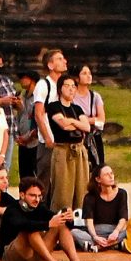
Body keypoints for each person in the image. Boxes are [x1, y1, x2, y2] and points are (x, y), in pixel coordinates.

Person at [1, 177, 84, 261]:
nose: (36, 199)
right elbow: (22, 224)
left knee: (60, 223)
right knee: (31, 231)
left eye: (39, 196)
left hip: (34, 260)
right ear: (22, 195)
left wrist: (68, 219)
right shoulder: (12, 209)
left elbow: (56, 219)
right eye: (32, 195)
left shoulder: (39, 207)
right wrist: (48, 224)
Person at [45, 73, 92, 213]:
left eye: (73, 87)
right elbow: (63, 125)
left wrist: (72, 121)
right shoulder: (53, 106)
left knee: (81, 188)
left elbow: (87, 127)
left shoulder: (77, 108)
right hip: (63, 150)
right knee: (62, 189)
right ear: (60, 89)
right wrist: (74, 123)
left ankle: (79, 220)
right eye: (67, 86)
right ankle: (60, 220)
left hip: (79, 149)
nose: (71, 89)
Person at [29, 48, 67, 182]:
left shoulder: (65, 85)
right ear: (50, 65)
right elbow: (38, 114)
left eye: (63, 59)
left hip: (63, 140)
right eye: (59, 59)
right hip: (48, 141)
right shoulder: (43, 85)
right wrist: (47, 138)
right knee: (44, 180)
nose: (64, 61)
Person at [78, 165, 130, 252]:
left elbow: (123, 218)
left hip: (115, 231)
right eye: (106, 175)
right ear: (98, 179)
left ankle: (96, 247)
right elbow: (89, 222)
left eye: (111, 173)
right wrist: (95, 237)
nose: (111, 176)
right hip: (96, 231)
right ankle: (115, 244)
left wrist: (116, 232)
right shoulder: (90, 197)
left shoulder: (122, 193)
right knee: (73, 232)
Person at [73, 63, 107, 173]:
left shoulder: (95, 96)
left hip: (93, 137)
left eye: (89, 73)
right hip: (77, 137)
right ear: (77, 78)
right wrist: (91, 119)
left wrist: (83, 120)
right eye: (84, 73)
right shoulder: (72, 96)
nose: (88, 76)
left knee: (97, 168)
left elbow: (101, 119)